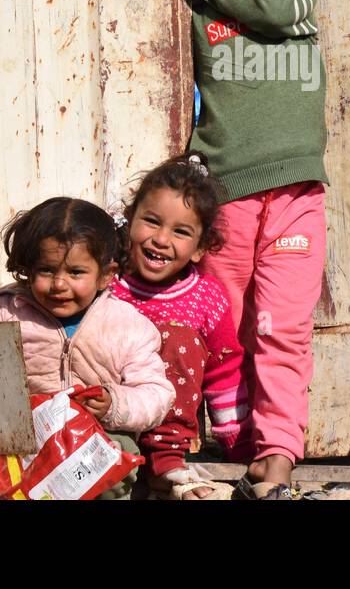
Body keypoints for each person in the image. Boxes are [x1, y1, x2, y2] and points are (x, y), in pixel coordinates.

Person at [173, 0, 328, 500]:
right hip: (227, 193)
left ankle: (278, 450)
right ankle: (213, 434)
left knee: (283, 324)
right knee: (219, 317)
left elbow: (276, 12)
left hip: (295, 191)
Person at [0, 196, 173, 499]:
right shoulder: (9, 310)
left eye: (76, 272)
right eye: (46, 270)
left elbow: (156, 393)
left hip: (98, 433)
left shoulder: (126, 327)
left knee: (113, 461)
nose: (59, 284)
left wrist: (114, 404)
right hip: (26, 435)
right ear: (29, 270)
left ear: (105, 275)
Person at [110, 153, 246, 500]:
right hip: (110, 417)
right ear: (130, 221)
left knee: (176, 337)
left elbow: (224, 370)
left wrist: (236, 441)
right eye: (151, 222)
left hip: (166, 434)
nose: (161, 239)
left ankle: (163, 462)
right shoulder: (106, 285)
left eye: (181, 232)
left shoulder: (206, 297)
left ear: (200, 248)